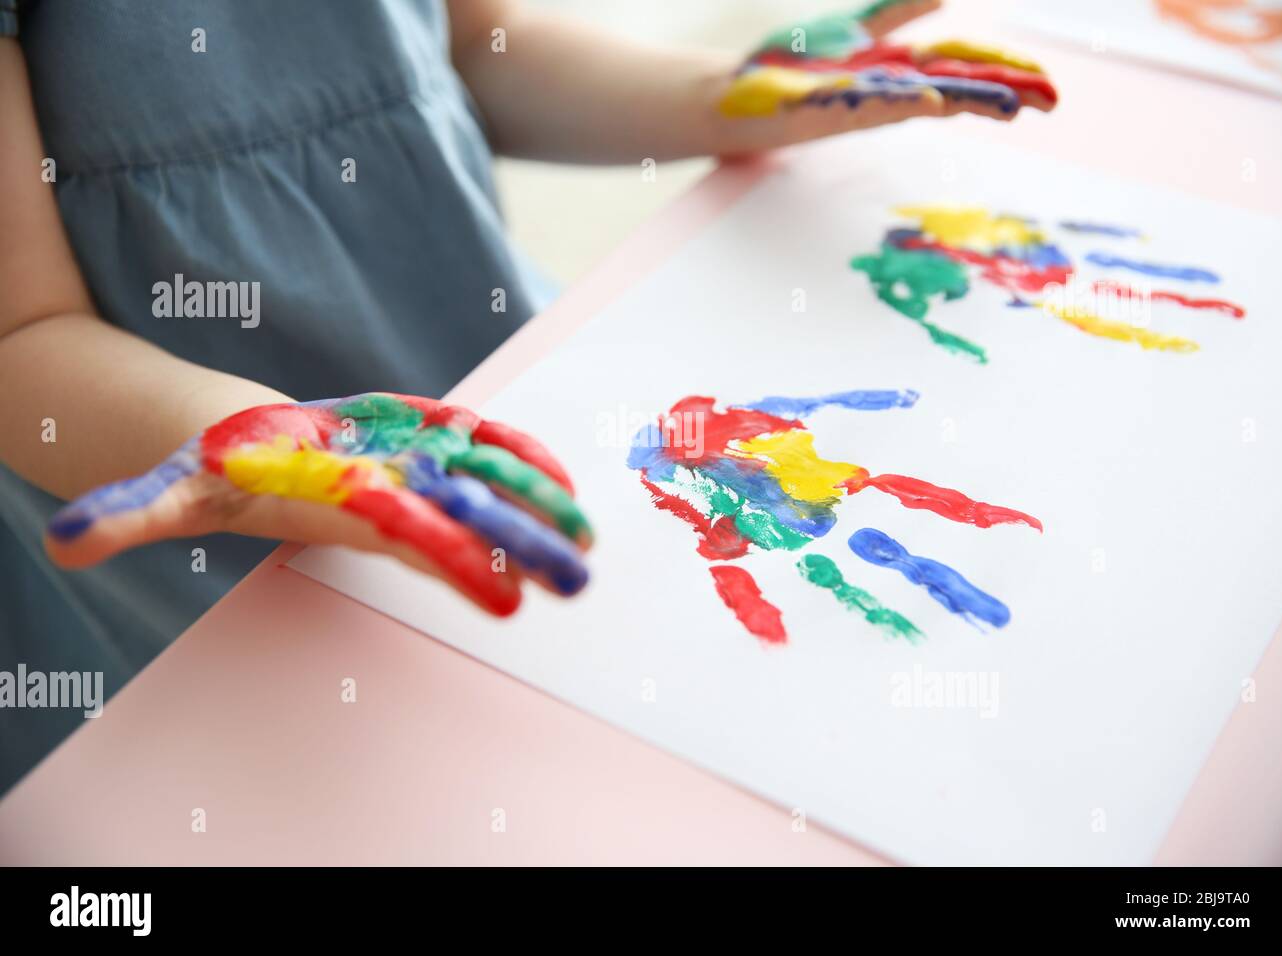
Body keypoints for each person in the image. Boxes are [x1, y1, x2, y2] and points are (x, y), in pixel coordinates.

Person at [0, 0, 1053, 790]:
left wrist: (714, 93)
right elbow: (21, 333)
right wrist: (247, 443)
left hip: (496, 406)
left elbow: (476, 47)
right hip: (191, 528)